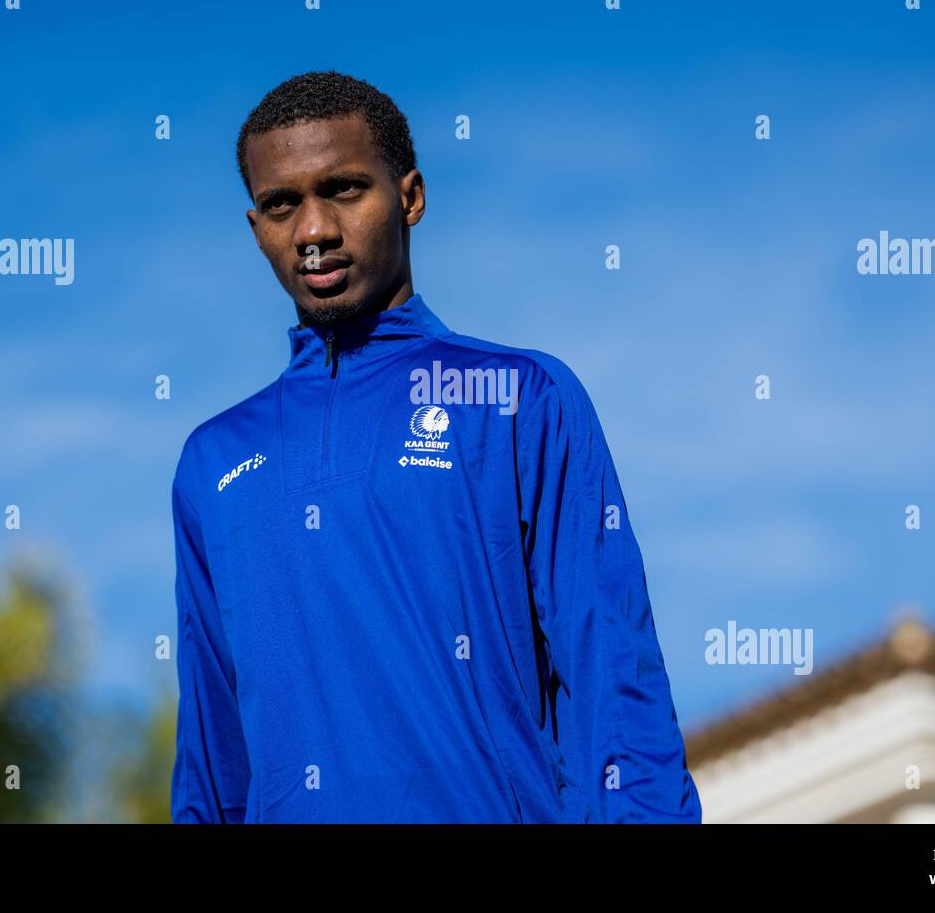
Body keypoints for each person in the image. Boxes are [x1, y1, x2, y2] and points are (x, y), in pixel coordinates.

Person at [170, 70, 701, 823]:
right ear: (256, 227)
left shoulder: (520, 398)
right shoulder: (213, 462)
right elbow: (212, 752)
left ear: (411, 197)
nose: (314, 230)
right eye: (282, 205)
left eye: (345, 190)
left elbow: (612, 677)